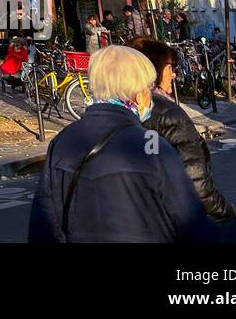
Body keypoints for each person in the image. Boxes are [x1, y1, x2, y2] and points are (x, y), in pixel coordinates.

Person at [28, 45, 218, 243]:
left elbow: (44, 226)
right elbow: (191, 223)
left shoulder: (63, 141)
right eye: (149, 88)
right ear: (138, 94)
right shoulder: (151, 144)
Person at [130, 38, 236, 242]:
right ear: (154, 69)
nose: (174, 74)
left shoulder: (130, 109)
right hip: (184, 218)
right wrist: (224, 213)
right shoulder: (167, 113)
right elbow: (195, 180)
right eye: (170, 67)